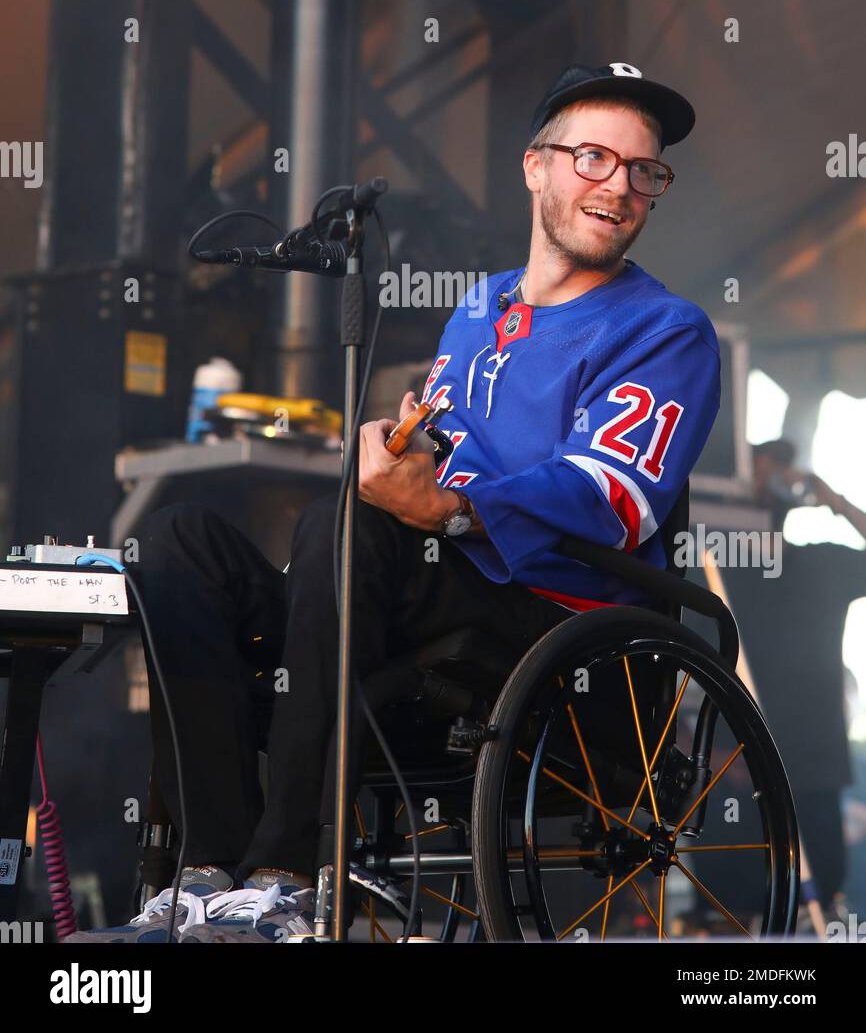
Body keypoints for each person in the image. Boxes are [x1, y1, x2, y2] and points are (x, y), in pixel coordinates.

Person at [67, 61, 721, 943]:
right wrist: (400, 446)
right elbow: (445, 451)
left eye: (645, 170)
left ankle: (285, 871)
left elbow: (618, 495)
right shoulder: (478, 310)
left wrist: (449, 504)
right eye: (595, 159)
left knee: (351, 523)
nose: (621, 187)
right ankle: (206, 871)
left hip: (555, 631)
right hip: (420, 602)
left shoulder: (666, 329)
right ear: (537, 167)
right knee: (182, 542)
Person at [731, 438, 866, 908]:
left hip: (814, 766)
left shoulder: (822, 562)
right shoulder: (717, 563)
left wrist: (834, 500)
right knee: (741, 894)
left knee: (823, 888)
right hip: (738, 766)